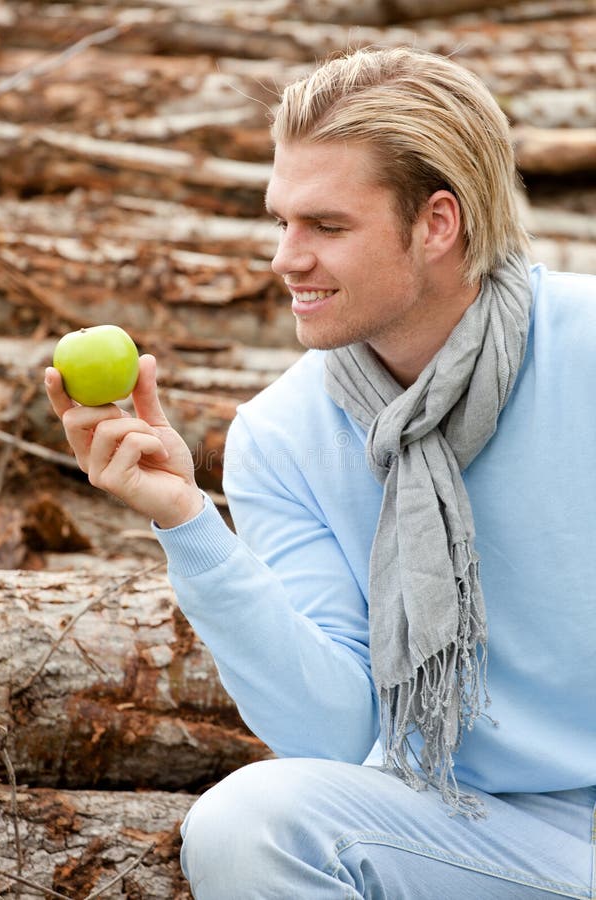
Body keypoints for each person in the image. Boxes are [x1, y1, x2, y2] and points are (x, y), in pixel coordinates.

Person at [45, 46, 596, 900]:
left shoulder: (587, 350)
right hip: (484, 833)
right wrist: (189, 524)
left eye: (327, 227)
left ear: (437, 223)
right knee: (246, 825)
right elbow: (332, 733)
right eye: (281, 222)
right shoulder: (281, 435)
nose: (286, 259)